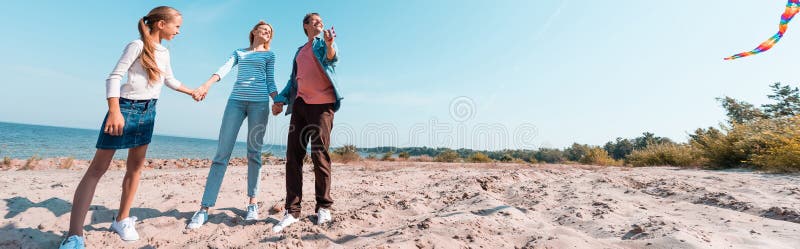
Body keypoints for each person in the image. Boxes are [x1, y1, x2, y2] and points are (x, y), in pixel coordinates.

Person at [59, 6, 197, 249]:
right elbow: (114, 77)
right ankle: (74, 235)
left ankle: (122, 219)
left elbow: (169, 80)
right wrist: (114, 111)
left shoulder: (164, 52)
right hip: (125, 109)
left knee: (135, 169)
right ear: (161, 24)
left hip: (149, 112)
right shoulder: (136, 45)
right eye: (177, 26)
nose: (179, 31)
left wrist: (193, 91)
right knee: (97, 169)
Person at [186, 20, 279, 229]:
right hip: (235, 103)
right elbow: (224, 69)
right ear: (254, 31)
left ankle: (252, 204)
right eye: (264, 29)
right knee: (222, 154)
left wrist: (278, 99)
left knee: (254, 153)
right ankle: (204, 209)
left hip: (260, 104)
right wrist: (206, 85)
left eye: (270, 32)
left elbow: (270, 81)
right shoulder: (239, 52)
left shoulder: (269, 55)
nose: (267, 32)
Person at [271, 12, 343, 233]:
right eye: (315, 21)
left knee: (319, 154)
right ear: (305, 25)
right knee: (293, 157)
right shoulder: (299, 51)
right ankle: (292, 211)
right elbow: (293, 81)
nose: (320, 23)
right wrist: (280, 100)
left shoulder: (324, 43)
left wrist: (330, 44)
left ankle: (323, 207)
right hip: (300, 105)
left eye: (321, 21)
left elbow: (331, 57)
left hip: (322, 105)